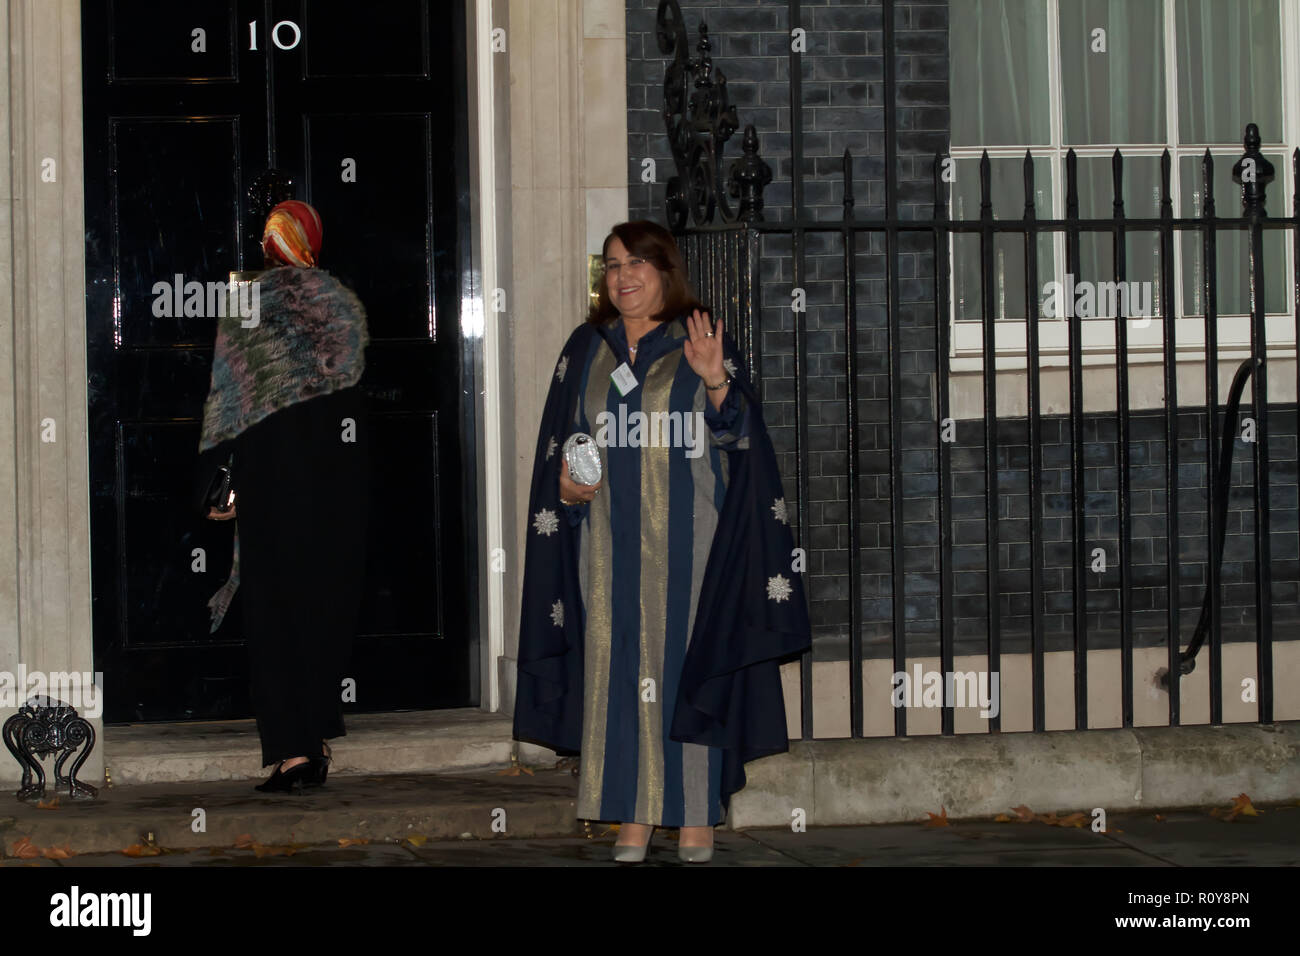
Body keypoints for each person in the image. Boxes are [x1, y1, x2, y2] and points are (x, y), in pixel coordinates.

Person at [514, 220, 810, 862]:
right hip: (606, 552)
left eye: (637, 264)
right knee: (617, 674)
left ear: (665, 271)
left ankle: (697, 813)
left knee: (682, 674)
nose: (622, 277)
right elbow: (567, 443)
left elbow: (743, 445)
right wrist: (565, 491)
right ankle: (633, 813)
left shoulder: (698, 338)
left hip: (693, 551)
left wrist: (715, 383)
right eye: (613, 265)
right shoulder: (586, 348)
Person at [195, 199, 370, 793]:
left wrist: (227, 473)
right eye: (274, 235)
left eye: (283, 235)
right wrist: (228, 475)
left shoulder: (305, 303)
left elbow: (231, 401)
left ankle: (301, 748)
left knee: (298, 611)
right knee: (296, 609)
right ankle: (306, 743)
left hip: (304, 478)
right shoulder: (329, 302)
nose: (276, 246)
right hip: (307, 480)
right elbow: (229, 395)